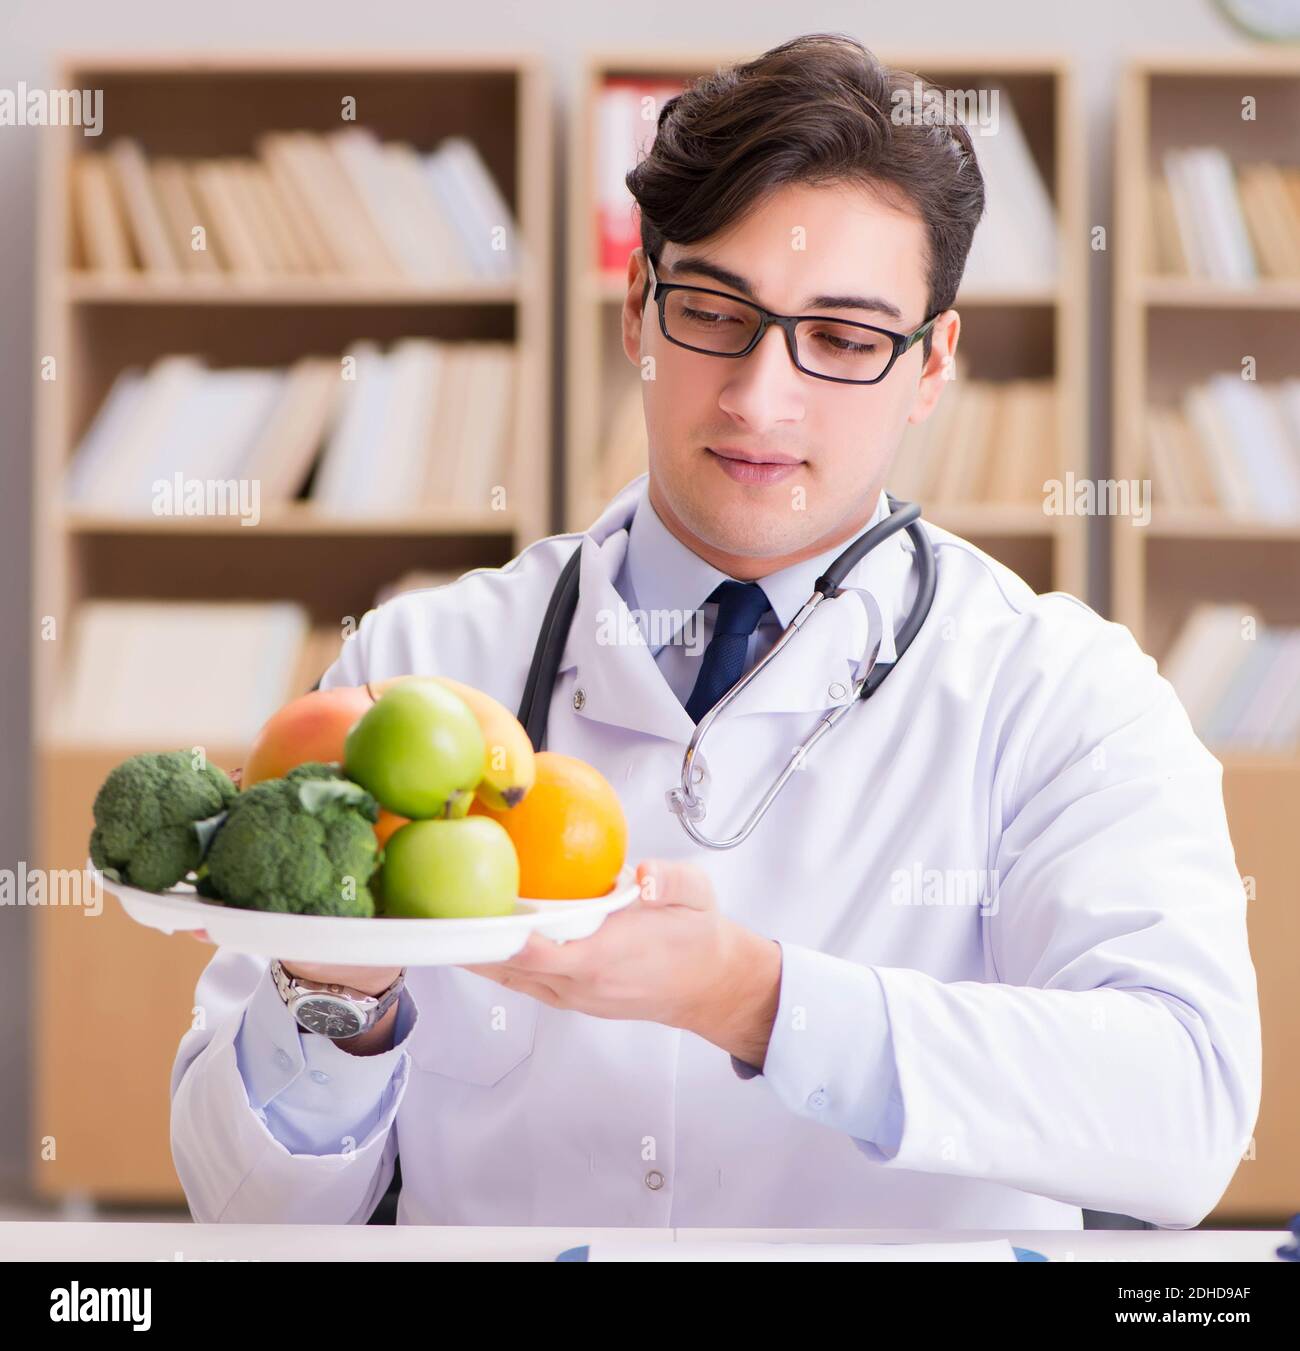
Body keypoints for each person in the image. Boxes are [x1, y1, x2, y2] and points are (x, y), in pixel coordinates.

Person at [170, 33, 1259, 1230]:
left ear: (931, 364)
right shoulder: (413, 675)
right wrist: (340, 1003)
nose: (758, 396)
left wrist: (762, 999)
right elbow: (247, 1211)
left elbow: (1185, 1113)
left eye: (841, 338)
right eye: (712, 310)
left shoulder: (1062, 692)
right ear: (639, 311)